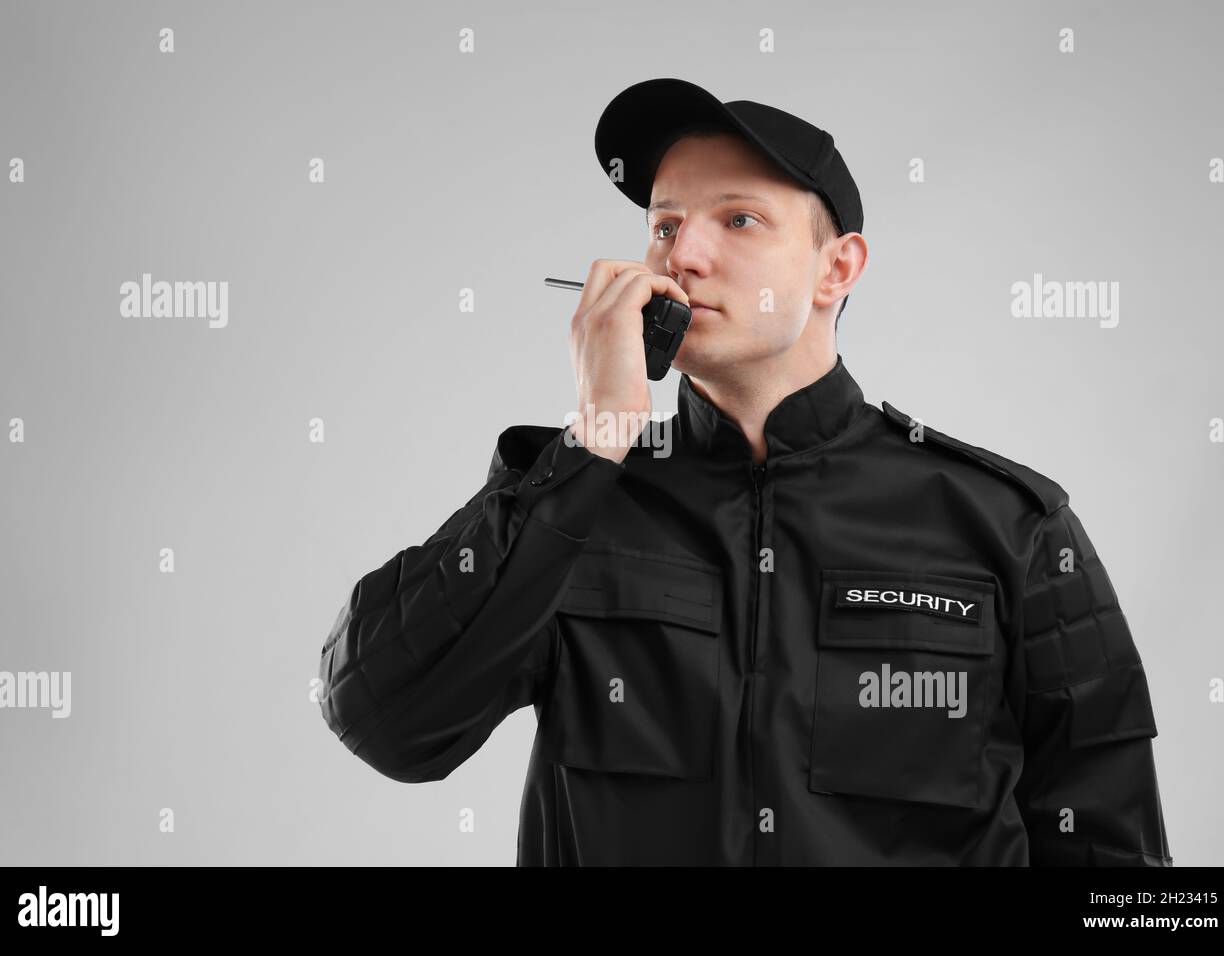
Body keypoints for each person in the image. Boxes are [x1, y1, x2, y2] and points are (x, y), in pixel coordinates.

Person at [317, 77, 1172, 866]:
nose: (681, 255)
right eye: (663, 224)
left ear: (838, 269)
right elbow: (388, 722)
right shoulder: (580, 507)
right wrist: (593, 438)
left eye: (738, 220)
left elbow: (1117, 866)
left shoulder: (1009, 524)